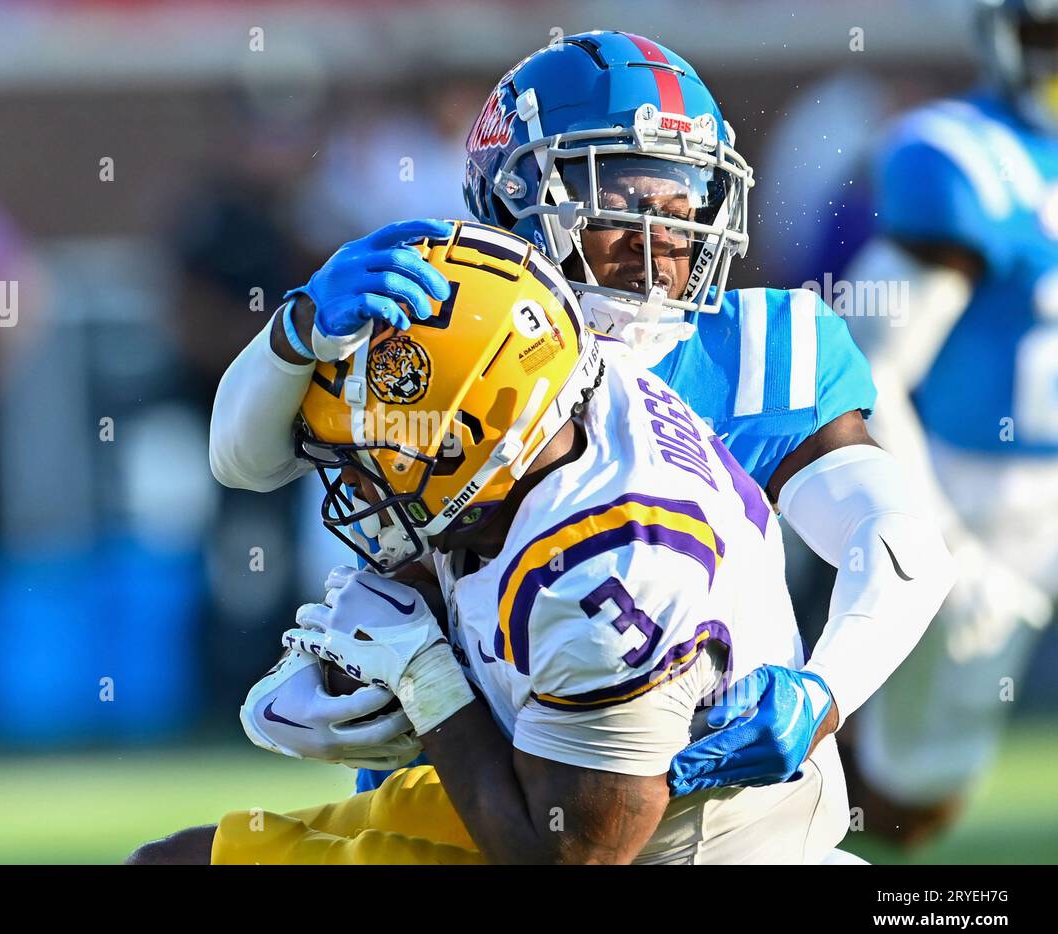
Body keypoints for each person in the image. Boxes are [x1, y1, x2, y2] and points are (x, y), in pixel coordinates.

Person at [208, 32, 954, 801]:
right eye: (622, 193)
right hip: (474, 788)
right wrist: (292, 336)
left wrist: (825, 690)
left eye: (684, 193)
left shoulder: (764, 347)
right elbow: (246, 462)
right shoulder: (442, 320)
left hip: (702, 805)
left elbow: (895, 543)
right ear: (515, 201)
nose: (663, 228)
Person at [134, 229, 856, 863]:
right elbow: (248, 460)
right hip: (563, 775)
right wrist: (296, 329)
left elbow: (567, 855)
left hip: (664, 846)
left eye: (368, 453)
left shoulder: (607, 575)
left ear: (468, 444)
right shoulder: (555, 393)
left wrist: (425, 676)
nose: (352, 482)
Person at [839, 0, 1058, 846]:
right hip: (977, 495)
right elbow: (871, 367)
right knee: (913, 794)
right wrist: (940, 541)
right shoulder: (970, 161)